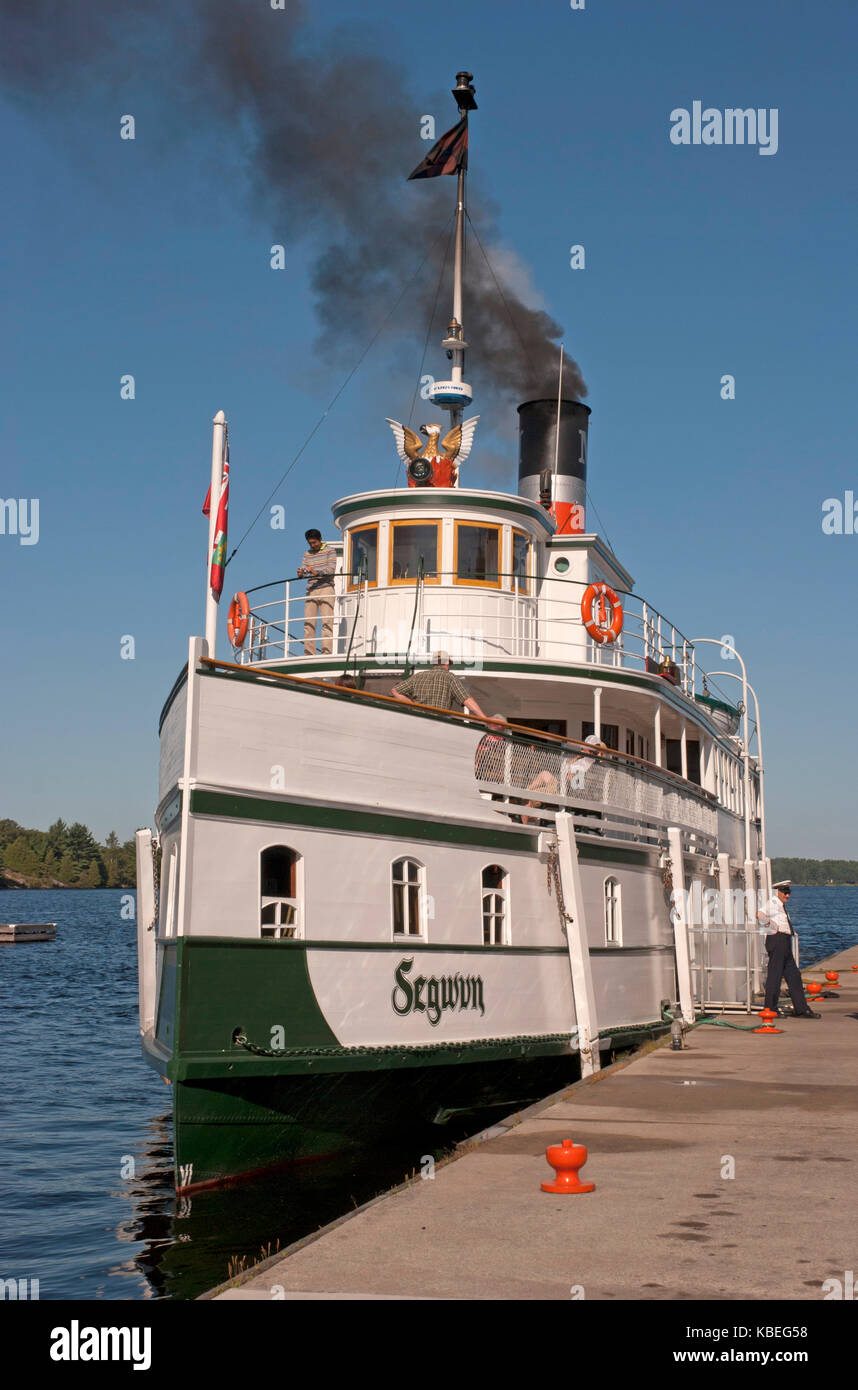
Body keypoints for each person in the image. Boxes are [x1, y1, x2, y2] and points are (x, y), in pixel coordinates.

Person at [756, 880, 820, 1017]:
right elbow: (759, 914)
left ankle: (801, 1009)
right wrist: (770, 924)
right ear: (777, 892)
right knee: (775, 976)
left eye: (789, 892)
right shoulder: (773, 903)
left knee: (794, 976)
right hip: (777, 940)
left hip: (784, 942)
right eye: (785, 892)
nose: (788, 895)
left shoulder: (780, 905)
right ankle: (770, 1009)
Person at [391, 651, 488, 718]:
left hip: (418, 721)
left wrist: (413, 706)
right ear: (446, 663)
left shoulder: (418, 676)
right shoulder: (450, 677)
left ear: (433, 663)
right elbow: (467, 700)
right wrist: (485, 719)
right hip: (439, 724)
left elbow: (395, 690)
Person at [299, 529, 337, 656]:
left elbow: (331, 571)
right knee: (309, 624)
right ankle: (309, 653)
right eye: (310, 543)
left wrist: (315, 572)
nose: (312, 545)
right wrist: (301, 573)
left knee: (327, 622)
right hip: (311, 589)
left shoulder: (330, 551)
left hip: (326, 588)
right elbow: (304, 572)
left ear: (320, 539)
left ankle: (326, 653)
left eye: (314, 542)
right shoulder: (307, 554)